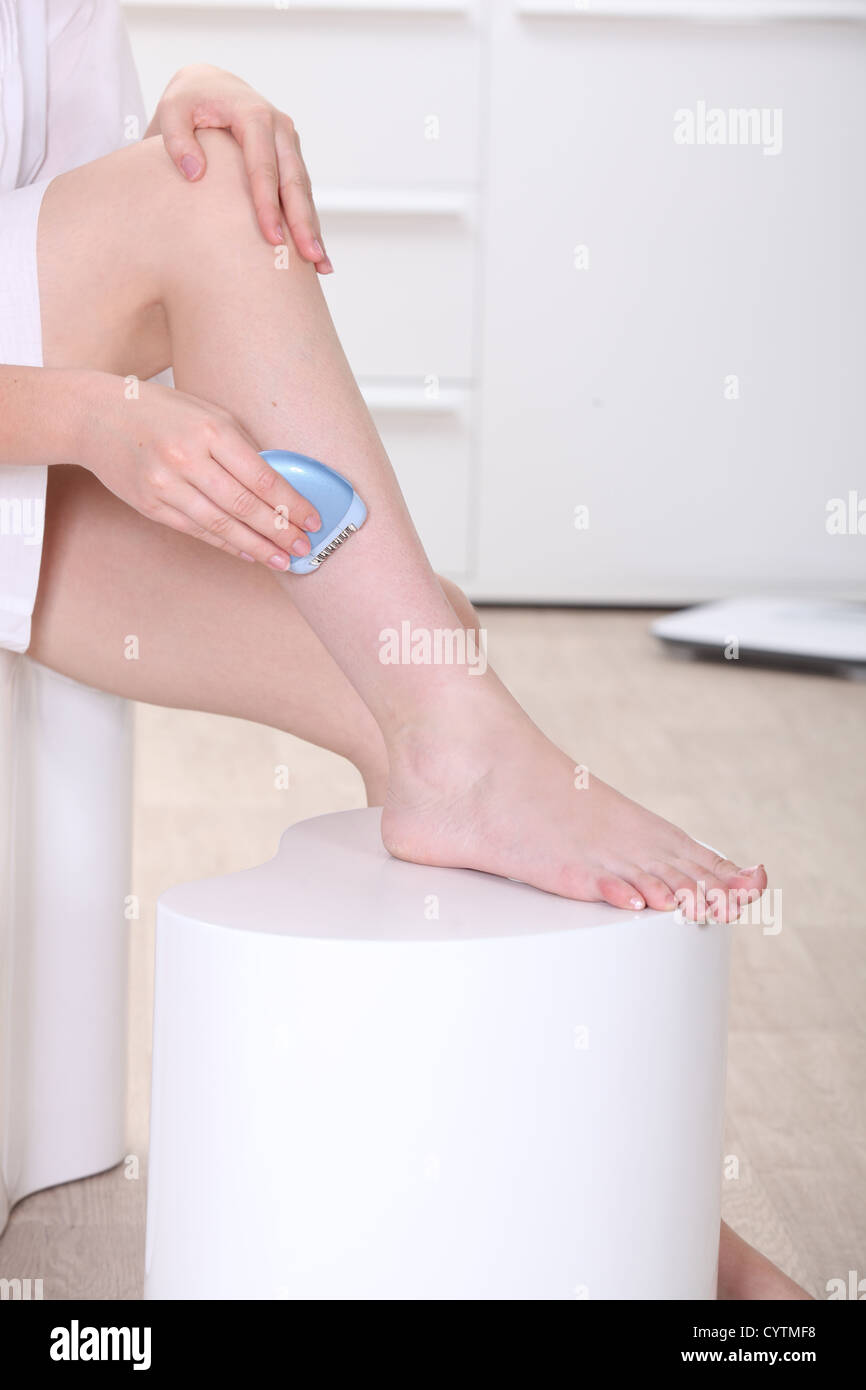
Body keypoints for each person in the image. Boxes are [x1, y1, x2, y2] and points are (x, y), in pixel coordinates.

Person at [0, 0, 808, 1300]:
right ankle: (467, 753)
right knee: (201, 211)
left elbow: (68, 212)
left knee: (411, 632)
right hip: (34, 420)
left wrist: (180, 106)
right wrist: (91, 414)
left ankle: (632, 1210)